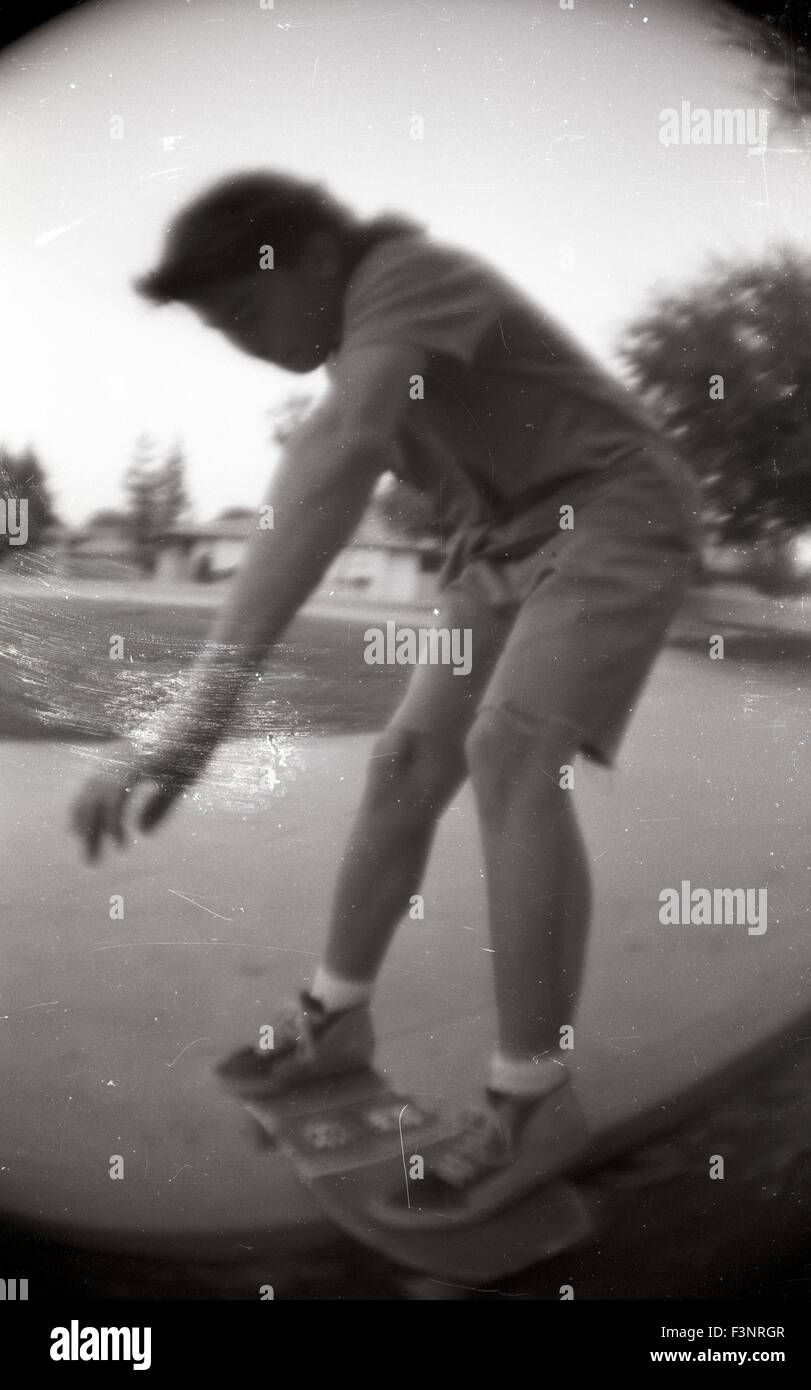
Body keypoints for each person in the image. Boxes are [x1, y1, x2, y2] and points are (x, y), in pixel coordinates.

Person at [70, 169, 701, 1230]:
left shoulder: (405, 277)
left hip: (610, 506)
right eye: (218, 327)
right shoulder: (364, 357)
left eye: (242, 309)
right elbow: (331, 480)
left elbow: (338, 448)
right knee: (405, 763)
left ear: (318, 255)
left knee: (512, 749)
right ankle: (335, 1017)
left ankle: (530, 1101)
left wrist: (200, 706)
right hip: (492, 543)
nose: (240, 339)